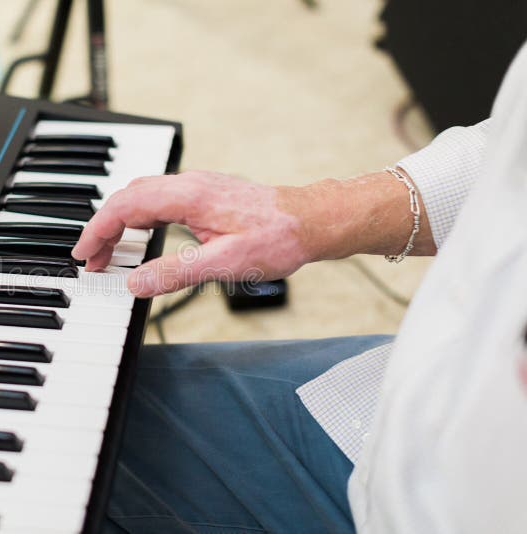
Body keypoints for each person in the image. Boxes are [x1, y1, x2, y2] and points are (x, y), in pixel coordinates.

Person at [72, 42, 527, 534]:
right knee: (89, 390)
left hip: (434, 509)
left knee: (65, 445)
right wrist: (318, 213)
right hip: (404, 391)